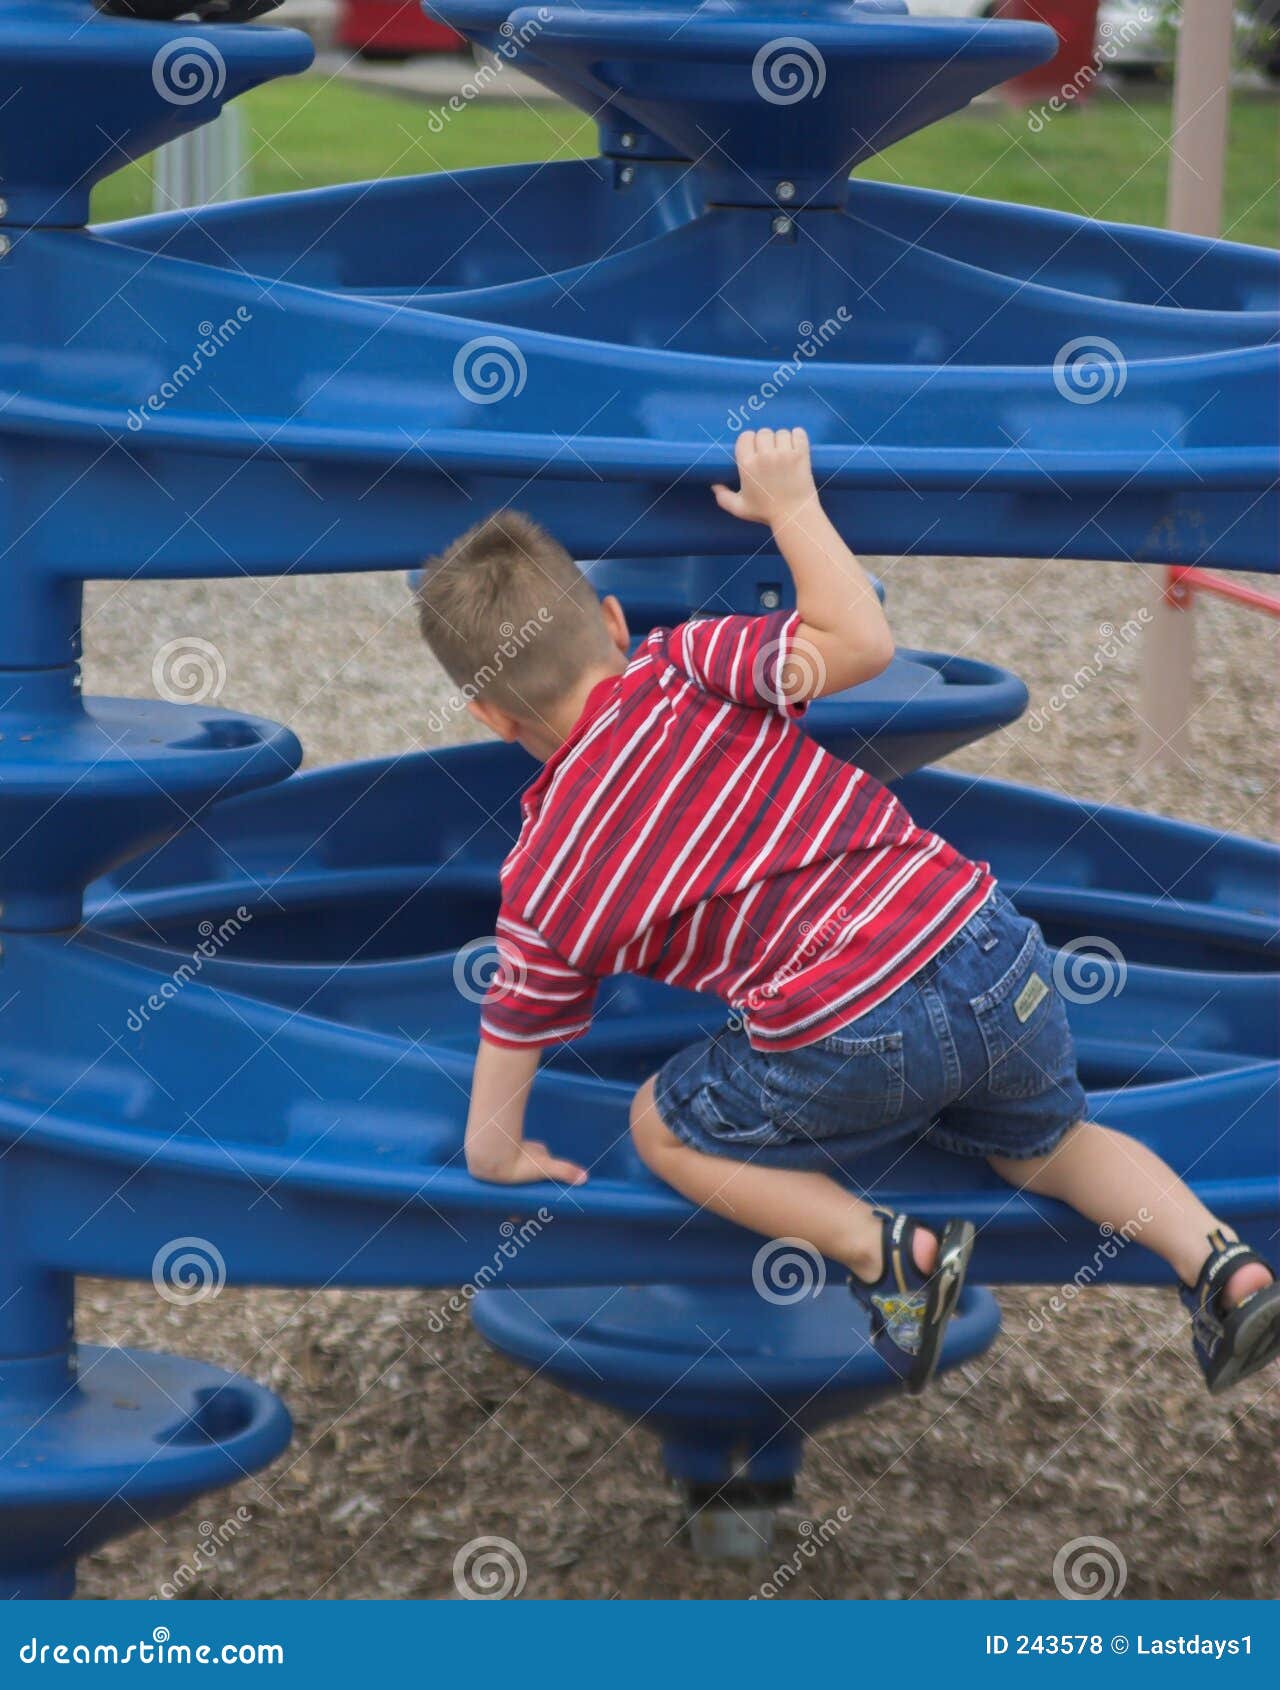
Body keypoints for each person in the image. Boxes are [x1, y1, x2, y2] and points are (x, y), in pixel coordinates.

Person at [416, 427, 1280, 1395]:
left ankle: (882, 1253)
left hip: (848, 1034)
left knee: (661, 1124)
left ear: (489, 717)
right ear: (614, 622)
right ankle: (1220, 1265)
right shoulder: (686, 664)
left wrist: (498, 1153)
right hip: (987, 943)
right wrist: (791, 506)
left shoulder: (543, 875)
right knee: (1047, 1143)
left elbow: (515, 1025)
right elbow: (860, 642)